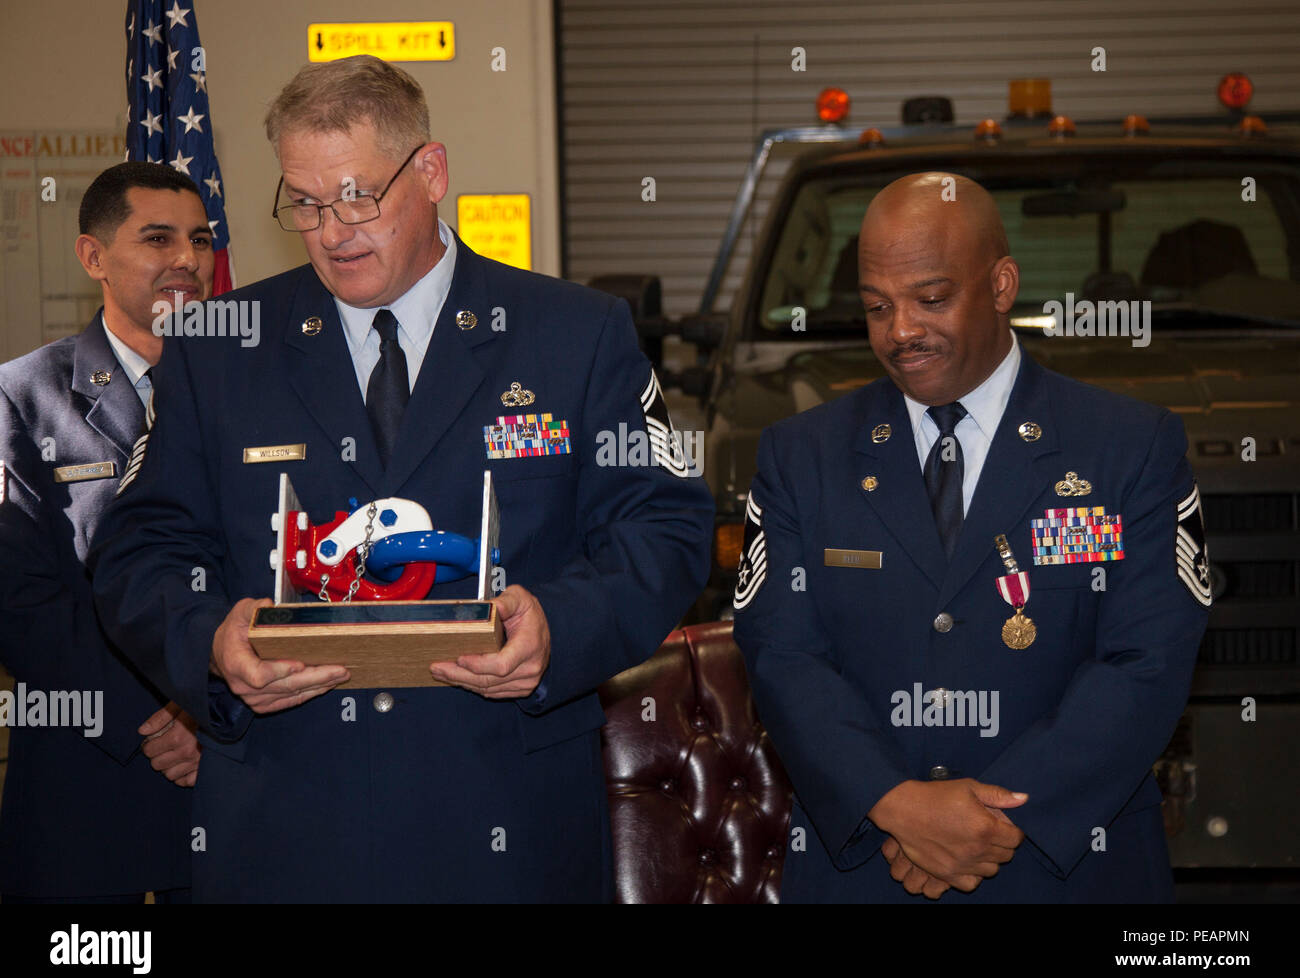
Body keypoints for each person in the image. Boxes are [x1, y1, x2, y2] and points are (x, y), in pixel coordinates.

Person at [89, 55, 713, 902]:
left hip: (504, 826)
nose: (331, 231)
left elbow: (663, 532)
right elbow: (137, 550)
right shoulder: (217, 349)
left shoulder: (575, 336)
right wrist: (209, 643)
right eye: (303, 203)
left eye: (356, 195)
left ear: (431, 173)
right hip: (285, 832)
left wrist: (559, 628)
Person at [732, 172, 1211, 903]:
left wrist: (985, 820)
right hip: (866, 864)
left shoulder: (1128, 448)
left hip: (1066, 864)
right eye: (876, 307)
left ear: (1001, 284)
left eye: (931, 299)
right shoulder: (801, 456)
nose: (901, 332)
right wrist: (896, 803)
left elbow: (1147, 662)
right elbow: (781, 655)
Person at [0, 162, 208, 903]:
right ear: (94, 257)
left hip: (233, 775)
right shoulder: (20, 397)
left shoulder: (253, 389)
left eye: (200, 239)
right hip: (92, 788)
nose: (187, 259)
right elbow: (20, 602)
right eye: (158, 238)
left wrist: (209, 714)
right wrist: (157, 722)